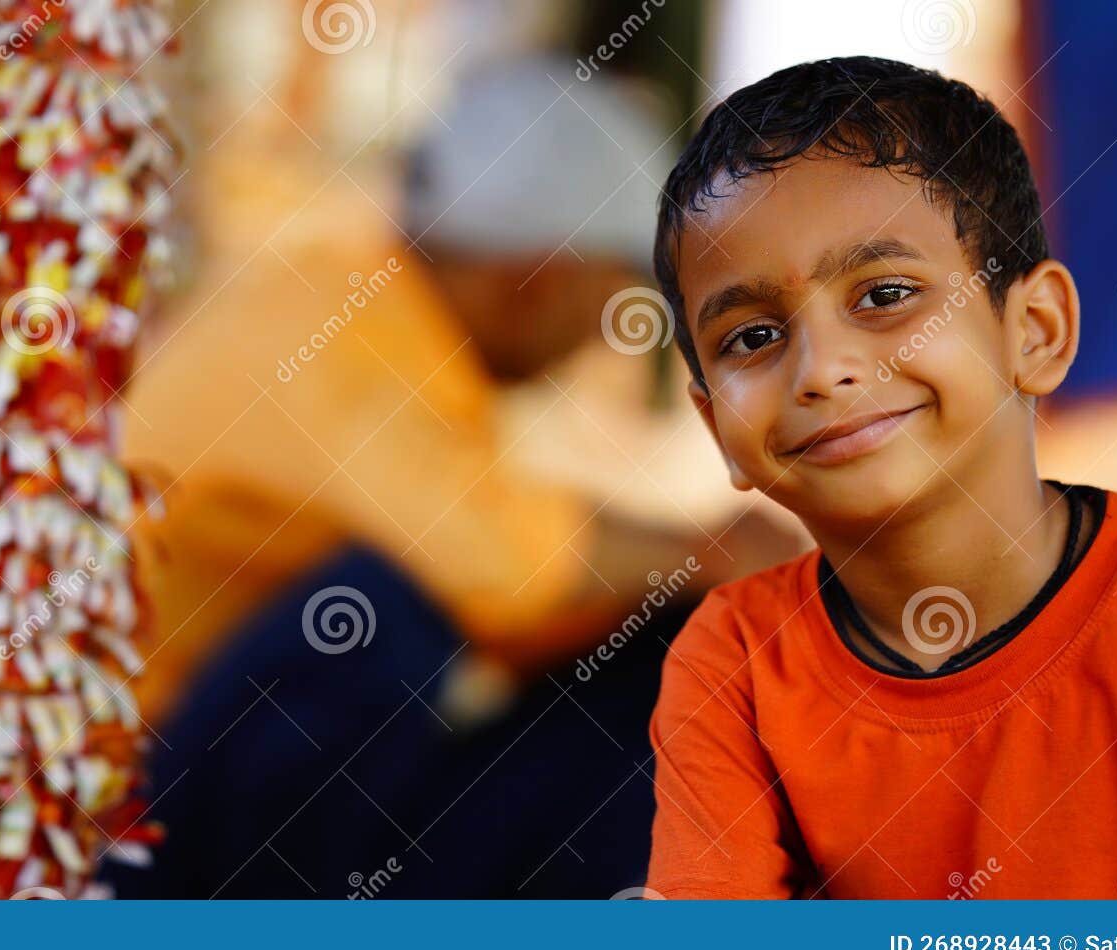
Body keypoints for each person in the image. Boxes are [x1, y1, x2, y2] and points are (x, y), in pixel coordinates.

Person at [644, 56, 1117, 899]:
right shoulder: (734, 660)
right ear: (717, 430)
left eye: (885, 295)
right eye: (753, 338)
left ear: (1037, 331)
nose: (822, 368)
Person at [128, 58, 799, 723]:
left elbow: (504, 525)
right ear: (543, 281)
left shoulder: (350, 291)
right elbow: (506, 579)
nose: (608, 340)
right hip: (120, 785)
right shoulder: (352, 353)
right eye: (620, 297)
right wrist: (712, 555)